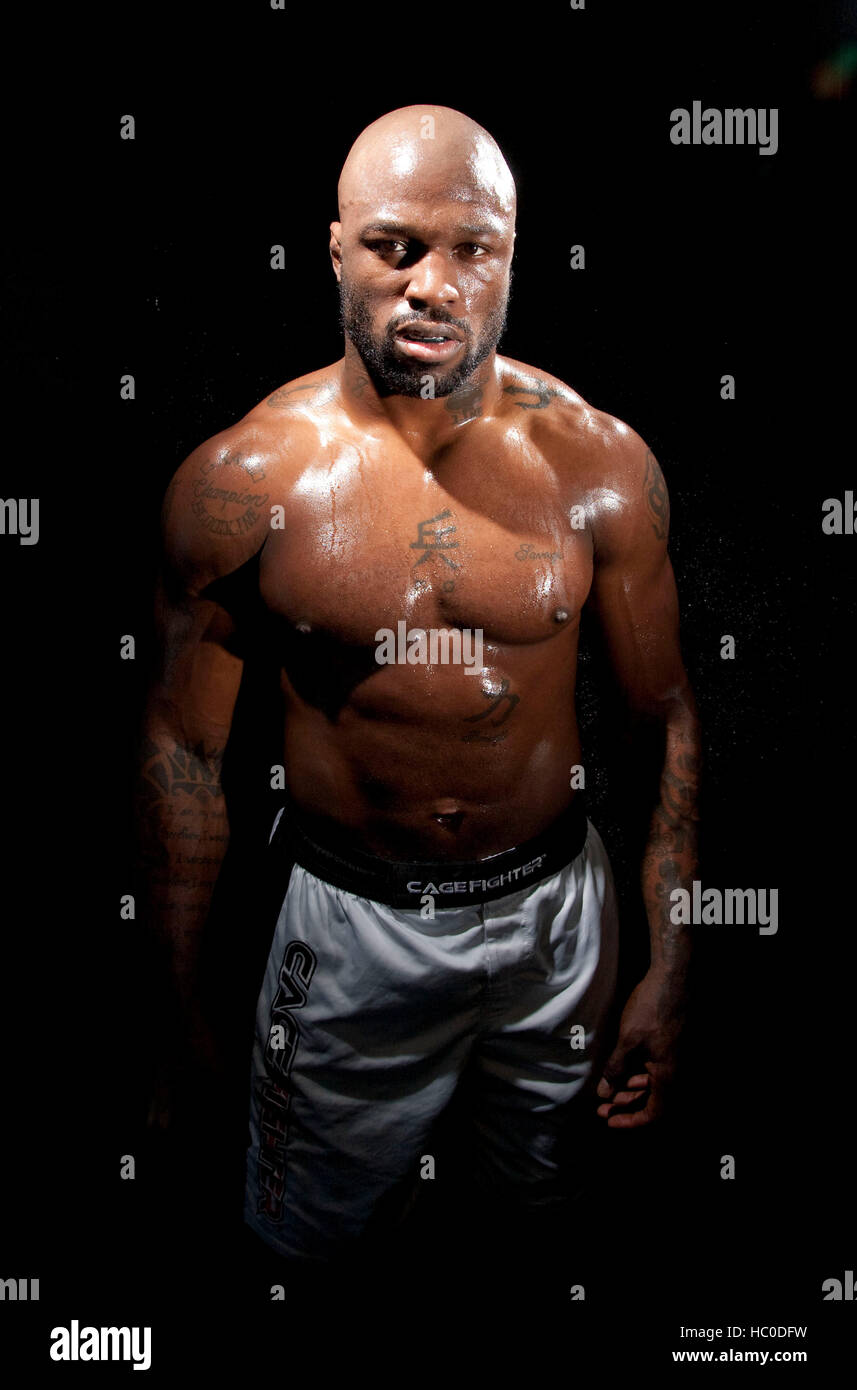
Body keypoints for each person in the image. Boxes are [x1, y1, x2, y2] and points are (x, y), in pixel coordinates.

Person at [137, 104, 701, 1267]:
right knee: (305, 1241)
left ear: (510, 252)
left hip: (557, 921)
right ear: (334, 247)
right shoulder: (243, 484)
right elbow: (181, 750)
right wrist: (174, 1000)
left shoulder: (599, 465)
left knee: (553, 1223)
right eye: (395, 247)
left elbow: (668, 725)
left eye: (471, 248)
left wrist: (670, 970)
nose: (432, 286)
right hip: (350, 931)